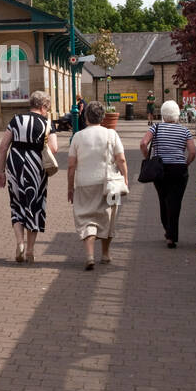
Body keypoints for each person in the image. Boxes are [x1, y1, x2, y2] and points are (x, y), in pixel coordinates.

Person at [67, 101, 128, 271]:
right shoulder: (111, 134)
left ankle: (89, 255)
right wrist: (126, 178)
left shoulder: (78, 137)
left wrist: (70, 187)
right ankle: (106, 254)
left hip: (85, 183)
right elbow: (121, 159)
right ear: (102, 117)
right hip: (109, 184)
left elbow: (71, 165)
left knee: (87, 218)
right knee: (108, 217)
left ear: (86, 117)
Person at [0, 91, 57, 263]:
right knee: (34, 204)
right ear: (43, 106)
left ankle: (20, 244)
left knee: (16, 203)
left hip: (15, 163)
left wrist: (1, 172)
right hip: (35, 166)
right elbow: (54, 148)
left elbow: (3, 147)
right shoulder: (46, 123)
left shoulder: (16, 119)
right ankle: (30, 250)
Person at [139, 99, 196, 248]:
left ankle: (168, 231)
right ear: (177, 115)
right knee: (175, 202)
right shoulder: (185, 131)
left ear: (163, 115)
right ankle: (171, 236)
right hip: (179, 169)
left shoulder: (155, 128)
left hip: (160, 169)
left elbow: (142, 143)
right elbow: (192, 151)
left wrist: (147, 157)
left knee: (163, 199)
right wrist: (186, 163)